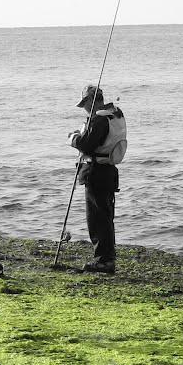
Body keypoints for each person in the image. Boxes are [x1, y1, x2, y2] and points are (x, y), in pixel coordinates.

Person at [68, 84, 126, 273]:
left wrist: (74, 138)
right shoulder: (115, 114)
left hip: (96, 172)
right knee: (106, 216)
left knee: (96, 218)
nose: (84, 108)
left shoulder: (99, 120)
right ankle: (107, 257)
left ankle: (103, 260)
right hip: (108, 171)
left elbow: (86, 145)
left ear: (90, 101)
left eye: (85, 104)